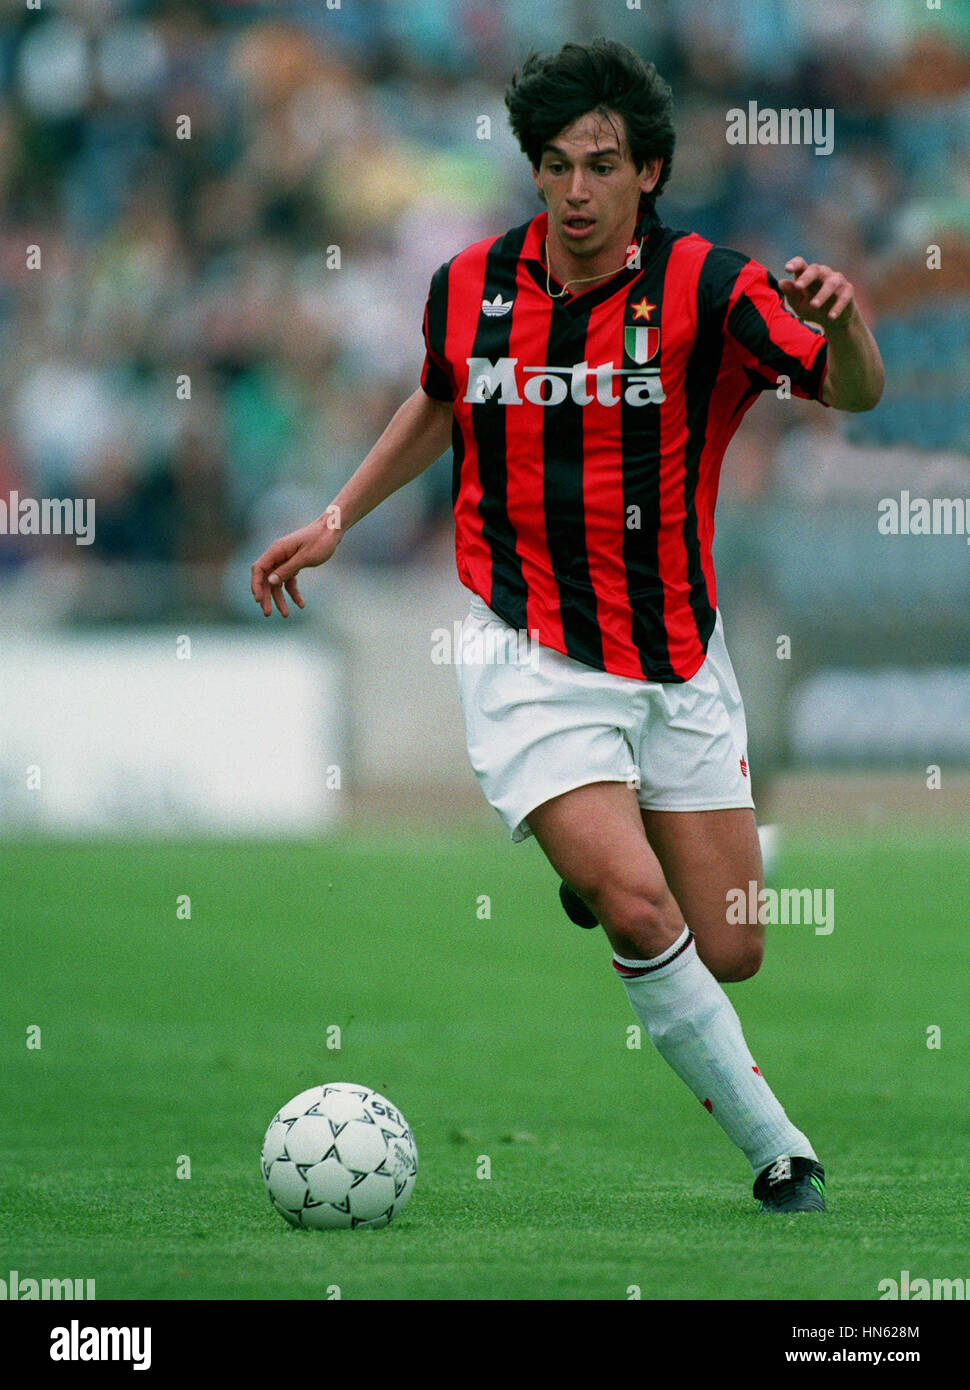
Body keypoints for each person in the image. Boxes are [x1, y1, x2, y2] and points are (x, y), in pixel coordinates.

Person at [251, 39, 884, 1214]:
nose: (576, 191)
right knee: (645, 910)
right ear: (533, 172)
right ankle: (778, 1150)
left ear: (648, 172)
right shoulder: (473, 286)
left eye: (600, 166)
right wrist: (337, 515)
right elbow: (442, 399)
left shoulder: (714, 287)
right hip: (524, 646)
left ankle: (603, 853)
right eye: (554, 166)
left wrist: (842, 324)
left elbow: (852, 393)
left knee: (733, 940)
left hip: (679, 653)